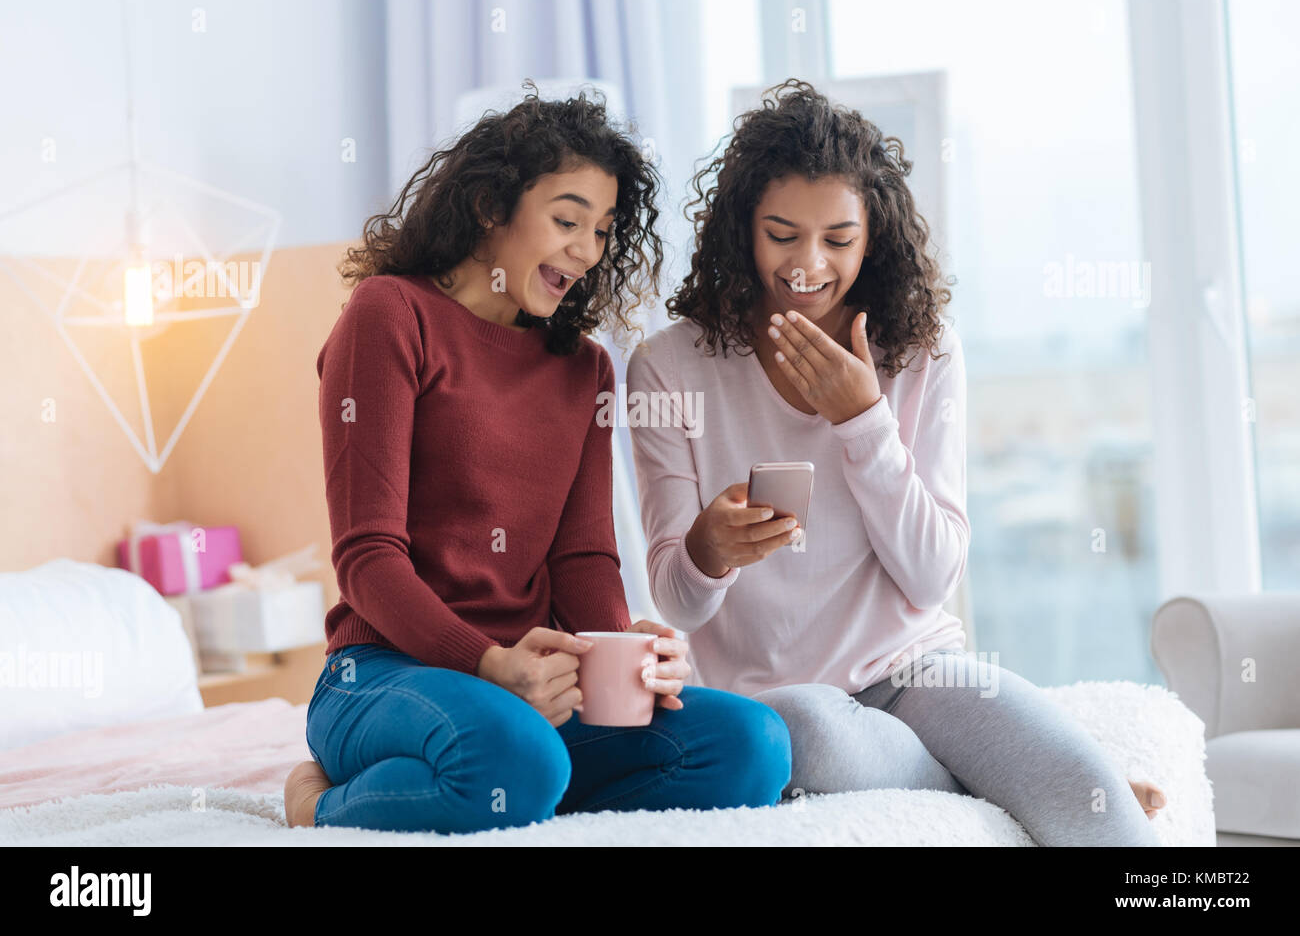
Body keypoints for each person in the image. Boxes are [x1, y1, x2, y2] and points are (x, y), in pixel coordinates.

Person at [626, 79, 1164, 846]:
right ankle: (986, 780)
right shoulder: (669, 366)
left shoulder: (920, 348)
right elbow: (680, 602)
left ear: (871, 236)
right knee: (799, 728)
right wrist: (708, 551)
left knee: (1099, 811)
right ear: (741, 229)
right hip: (784, 698)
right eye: (782, 234)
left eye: (838, 240)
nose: (809, 264)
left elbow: (931, 573)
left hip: (919, 670)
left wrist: (862, 420)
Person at [284, 82, 791, 833]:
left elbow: (583, 557)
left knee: (753, 744)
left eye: (603, 230)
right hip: (383, 674)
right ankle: (318, 799)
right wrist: (490, 661)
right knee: (515, 757)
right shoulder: (390, 315)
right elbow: (368, 558)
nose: (587, 251)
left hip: (532, 687)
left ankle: (527, 779)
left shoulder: (585, 368)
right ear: (492, 207)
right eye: (566, 220)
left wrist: (625, 652)